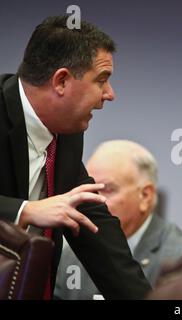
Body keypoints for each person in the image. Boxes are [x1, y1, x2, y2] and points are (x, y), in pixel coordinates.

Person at [0, 15, 150, 299]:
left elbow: (94, 225)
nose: (110, 94)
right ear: (61, 81)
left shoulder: (66, 132)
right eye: (101, 80)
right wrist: (25, 210)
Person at [54, 140, 182, 299]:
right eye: (89, 190)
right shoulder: (70, 255)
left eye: (107, 189)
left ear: (145, 196)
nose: (93, 200)